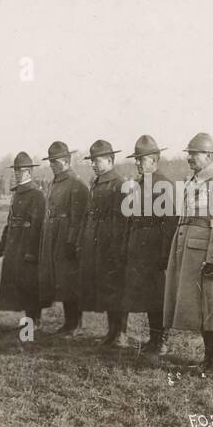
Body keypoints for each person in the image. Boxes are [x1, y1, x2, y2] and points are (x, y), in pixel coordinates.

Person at [163, 132, 213, 376]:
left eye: (194, 154)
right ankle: (209, 357)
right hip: (191, 250)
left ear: (209, 155)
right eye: (189, 154)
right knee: (202, 307)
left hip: (207, 252)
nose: (190, 158)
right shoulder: (195, 180)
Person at [122, 135, 179, 353]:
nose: (137, 162)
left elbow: (170, 222)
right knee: (148, 295)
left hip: (156, 249)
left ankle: (161, 340)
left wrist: (164, 254)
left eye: (142, 159)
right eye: (136, 159)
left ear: (154, 160)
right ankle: (154, 338)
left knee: (158, 296)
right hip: (140, 248)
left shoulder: (163, 184)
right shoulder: (138, 184)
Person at [82, 139, 130, 347]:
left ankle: (121, 332)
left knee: (117, 287)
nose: (93, 164)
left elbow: (123, 219)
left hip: (113, 242)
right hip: (97, 241)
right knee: (106, 287)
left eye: (97, 160)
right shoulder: (96, 181)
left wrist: (116, 246)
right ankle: (111, 331)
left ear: (110, 160)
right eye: (92, 160)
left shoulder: (119, 183)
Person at [0, 151, 47, 339]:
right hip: (14, 247)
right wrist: (2, 245)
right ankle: (28, 324)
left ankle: (34, 325)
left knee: (30, 288)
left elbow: (38, 226)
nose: (19, 173)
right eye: (17, 170)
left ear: (30, 172)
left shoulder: (37, 195)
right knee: (20, 289)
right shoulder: (16, 194)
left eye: (23, 170)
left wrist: (32, 252)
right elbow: (10, 221)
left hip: (27, 249)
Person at [39, 141, 89, 335]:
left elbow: (79, 217)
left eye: (56, 161)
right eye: (51, 161)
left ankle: (76, 324)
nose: (52, 165)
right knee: (61, 281)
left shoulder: (76, 183)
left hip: (66, 238)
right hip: (54, 236)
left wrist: (72, 241)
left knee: (71, 281)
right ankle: (69, 322)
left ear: (67, 161)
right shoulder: (54, 182)